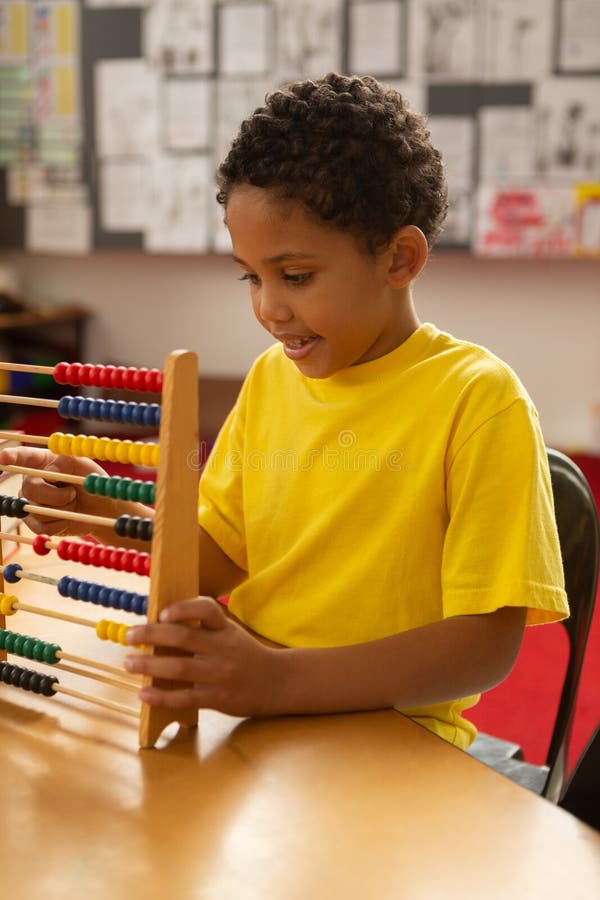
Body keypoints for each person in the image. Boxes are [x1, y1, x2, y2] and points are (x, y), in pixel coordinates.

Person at [0, 73, 568, 749]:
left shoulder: (478, 400)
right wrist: (95, 499)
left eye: (295, 275)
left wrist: (277, 681)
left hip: (394, 744)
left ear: (401, 258)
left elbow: (484, 649)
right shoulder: (273, 379)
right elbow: (211, 563)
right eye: (251, 275)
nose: (269, 307)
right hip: (254, 716)